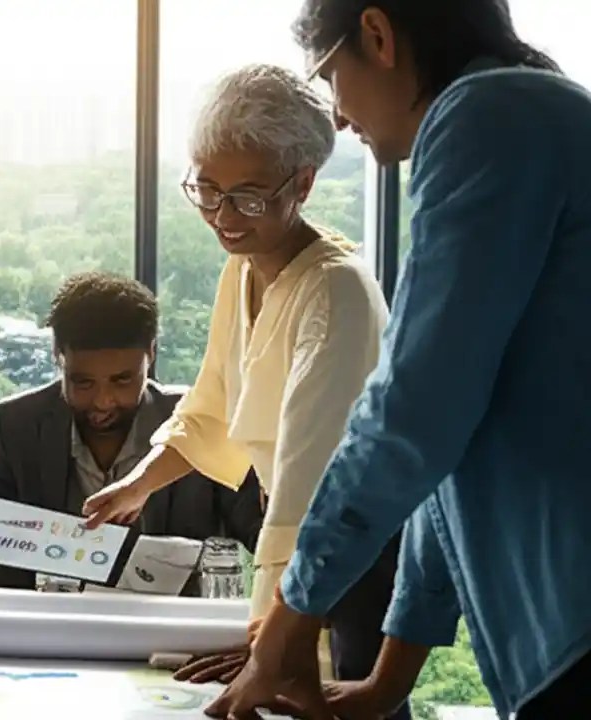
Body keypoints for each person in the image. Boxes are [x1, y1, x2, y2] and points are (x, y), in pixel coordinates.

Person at [205, 3, 591, 720]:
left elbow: (415, 413)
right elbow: (453, 440)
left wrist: (292, 617)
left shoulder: (486, 115)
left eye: (330, 75)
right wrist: (389, 681)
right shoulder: (533, 111)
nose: (340, 115)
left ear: (377, 36)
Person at [82, 64, 404, 711]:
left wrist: (277, 632)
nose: (223, 217)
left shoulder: (336, 290)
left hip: (350, 548)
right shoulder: (246, 266)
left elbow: (311, 482)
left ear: (303, 183)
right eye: (206, 191)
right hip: (299, 542)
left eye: (247, 197)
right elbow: (214, 407)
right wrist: (140, 484)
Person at [0, 271, 263, 591]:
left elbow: (265, 532)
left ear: (151, 354)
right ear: (58, 355)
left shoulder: (200, 422)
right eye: (82, 382)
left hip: (176, 634)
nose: (103, 401)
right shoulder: (18, 424)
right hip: (54, 631)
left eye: (122, 380)